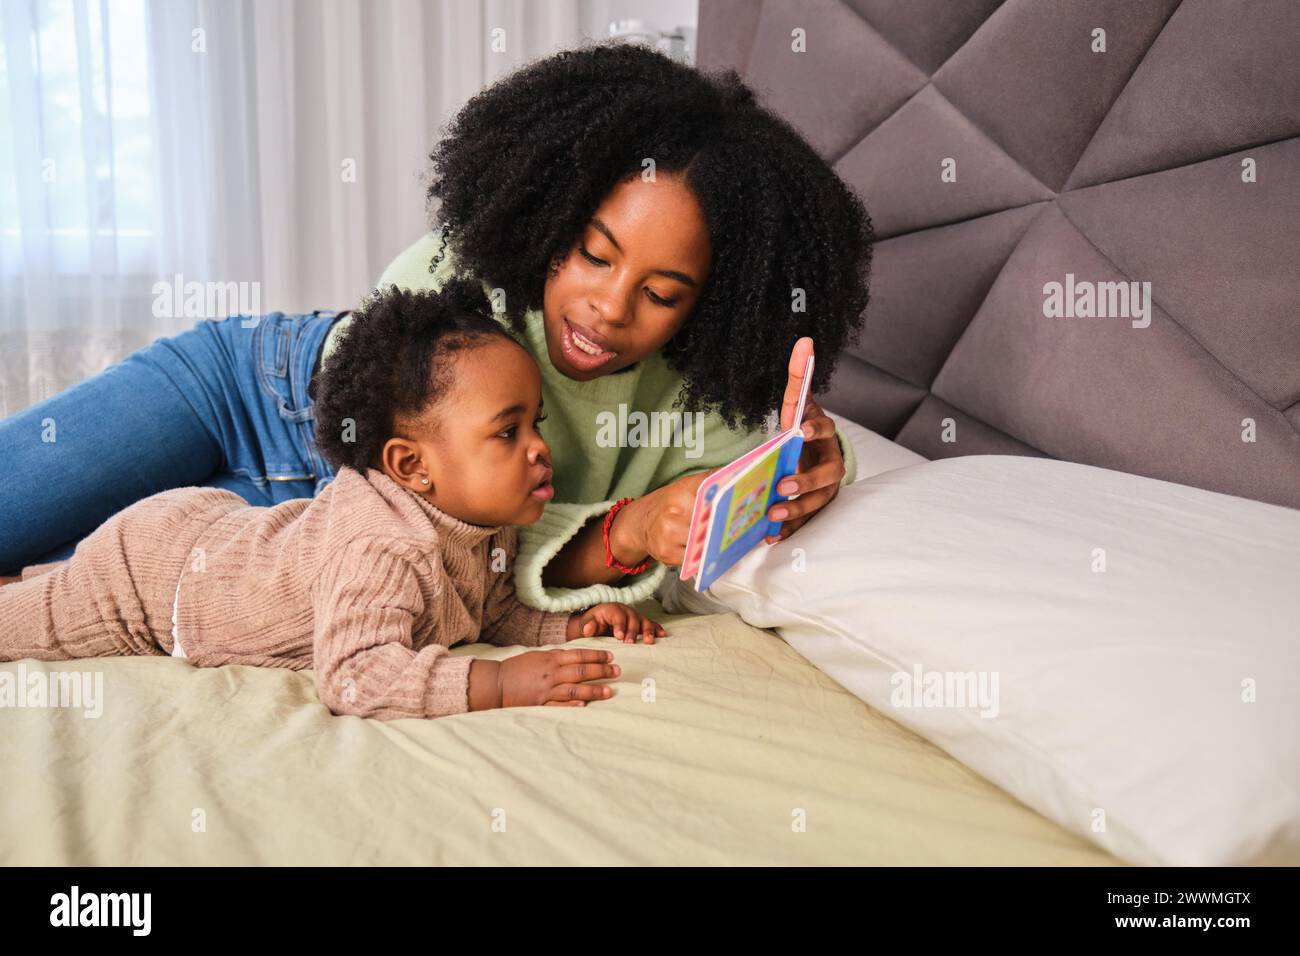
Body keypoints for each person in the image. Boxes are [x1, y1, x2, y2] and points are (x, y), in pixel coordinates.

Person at [0, 43, 873, 612]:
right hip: (255, 392)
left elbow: (486, 556)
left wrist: (814, 466)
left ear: (714, 305)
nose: (609, 307)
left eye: (663, 292)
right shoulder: (454, 277)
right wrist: (622, 527)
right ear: (548, 217)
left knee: (57, 596)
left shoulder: (704, 399)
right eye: (592, 254)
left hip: (326, 534)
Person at [0, 281, 662, 720]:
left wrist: (569, 629)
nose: (539, 448)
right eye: (508, 431)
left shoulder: (482, 523)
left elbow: (489, 616)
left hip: (219, 529)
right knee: (21, 625)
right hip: (151, 580)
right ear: (412, 466)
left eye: (537, 423)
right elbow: (354, 677)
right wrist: (502, 685)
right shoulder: (386, 549)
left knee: (35, 582)